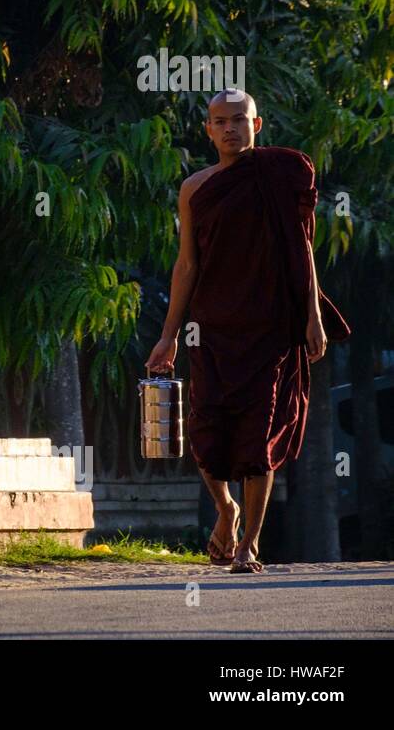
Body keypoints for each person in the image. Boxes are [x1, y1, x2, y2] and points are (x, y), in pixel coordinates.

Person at [145, 89, 350, 573]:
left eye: (240, 119)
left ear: (257, 125)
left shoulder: (283, 174)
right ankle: (225, 508)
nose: (231, 128)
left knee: (258, 436)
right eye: (221, 121)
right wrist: (168, 334)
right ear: (209, 130)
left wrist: (312, 316)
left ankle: (248, 546)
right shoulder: (196, 188)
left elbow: (303, 250)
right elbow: (187, 265)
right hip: (213, 326)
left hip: (271, 328)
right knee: (206, 430)